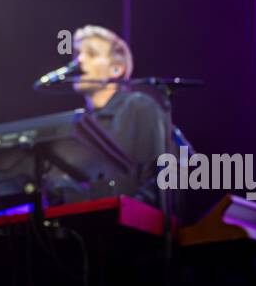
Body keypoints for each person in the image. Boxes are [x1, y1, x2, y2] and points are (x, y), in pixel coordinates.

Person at [71, 24, 181, 205]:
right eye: (77, 54)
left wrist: (127, 211)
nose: (79, 61)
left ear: (117, 68)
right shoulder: (79, 122)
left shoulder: (139, 107)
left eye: (91, 54)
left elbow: (164, 176)